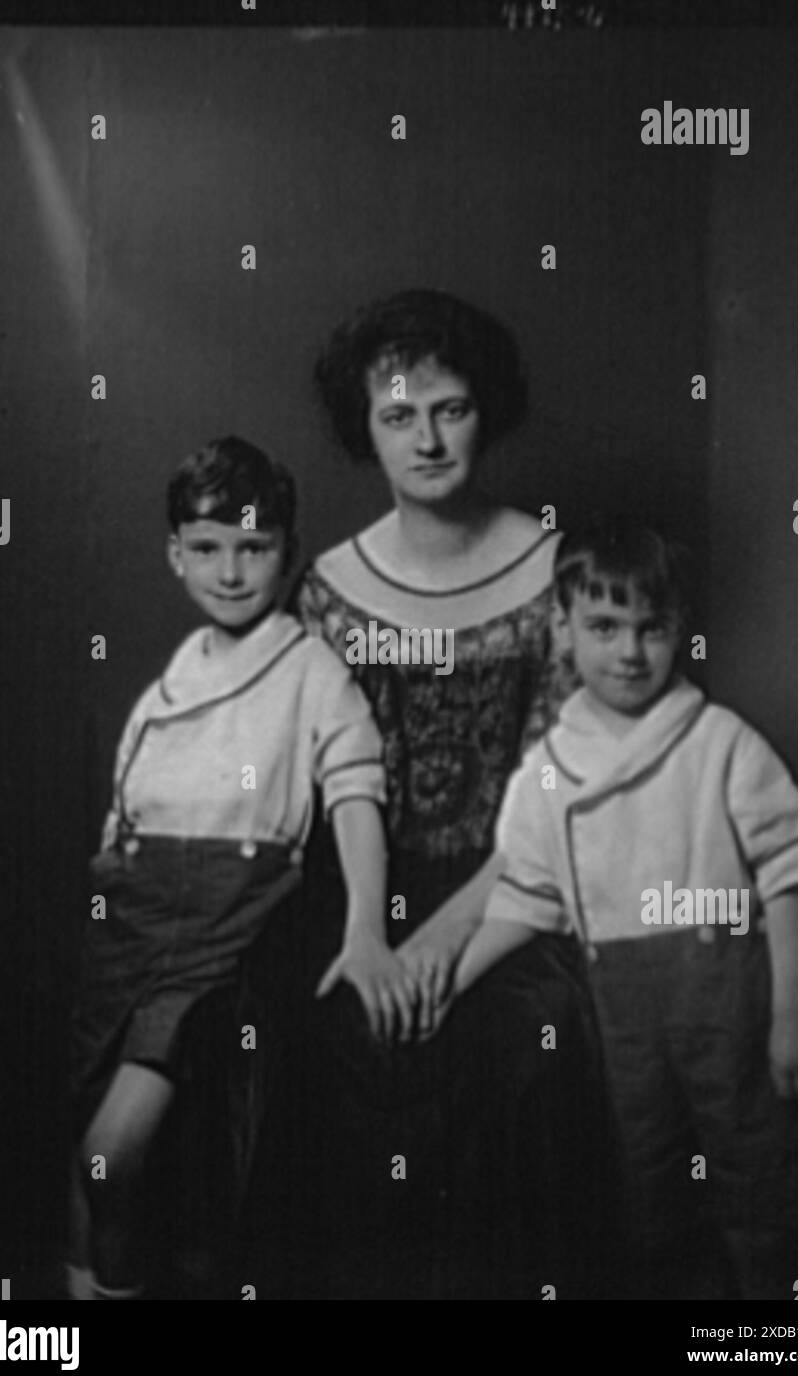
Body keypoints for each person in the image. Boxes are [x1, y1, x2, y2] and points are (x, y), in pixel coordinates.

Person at [254, 288, 616, 1299]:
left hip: (517, 888)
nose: (425, 438)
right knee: (325, 1035)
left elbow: (557, 793)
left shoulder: (558, 569)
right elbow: (330, 780)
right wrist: (372, 937)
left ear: (485, 411)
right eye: (397, 414)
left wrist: (436, 950)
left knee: (528, 1051)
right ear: (363, 429)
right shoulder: (324, 587)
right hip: (360, 881)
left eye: (448, 409)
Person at [456, 515, 798, 1299]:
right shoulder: (548, 771)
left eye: (651, 628)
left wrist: (793, 1013)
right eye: (603, 626)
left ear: (679, 631)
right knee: (655, 1197)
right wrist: (450, 979)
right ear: (562, 629)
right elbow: (526, 897)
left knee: (756, 1187)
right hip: (624, 1018)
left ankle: (767, 1342)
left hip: (728, 1003)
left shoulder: (720, 741)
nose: (629, 653)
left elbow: (788, 874)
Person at [66, 436, 406, 1300]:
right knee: (86, 1148)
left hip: (220, 934)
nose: (229, 572)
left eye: (252, 548)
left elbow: (356, 793)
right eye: (208, 548)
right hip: (129, 921)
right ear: (176, 553)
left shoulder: (310, 670)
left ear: (286, 554)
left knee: (115, 1157)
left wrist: (367, 927)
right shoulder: (169, 682)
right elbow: (126, 813)